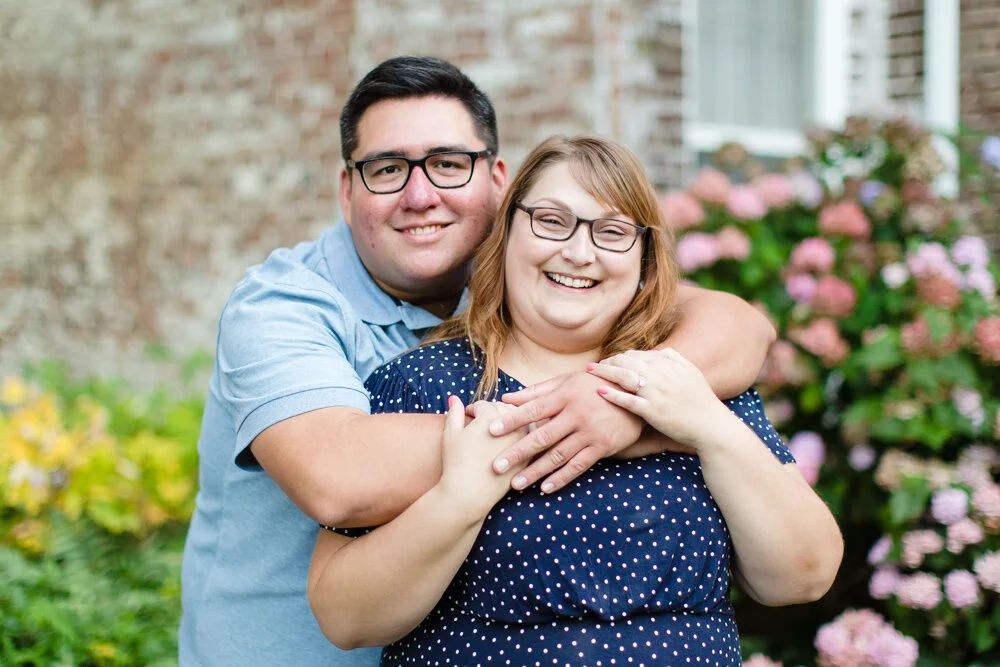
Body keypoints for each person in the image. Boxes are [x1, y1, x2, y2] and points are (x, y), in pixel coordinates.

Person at [179, 57, 780, 667]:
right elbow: (338, 480)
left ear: (497, 180)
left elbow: (740, 327)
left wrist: (617, 404)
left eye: (447, 164)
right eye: (387, 169)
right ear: (347, 190)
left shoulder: (531, 278)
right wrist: (612, 417)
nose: (420, 195)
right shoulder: (282, 305)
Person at [307, 135, 843, 666]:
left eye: (612, 232)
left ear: (644, 261)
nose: (579, 252)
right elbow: (345, 618)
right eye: (552, 221)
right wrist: (459, 500)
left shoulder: (687, 376)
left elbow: (803, 575)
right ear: (506, 234)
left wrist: (709, 426)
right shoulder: (425, 382)